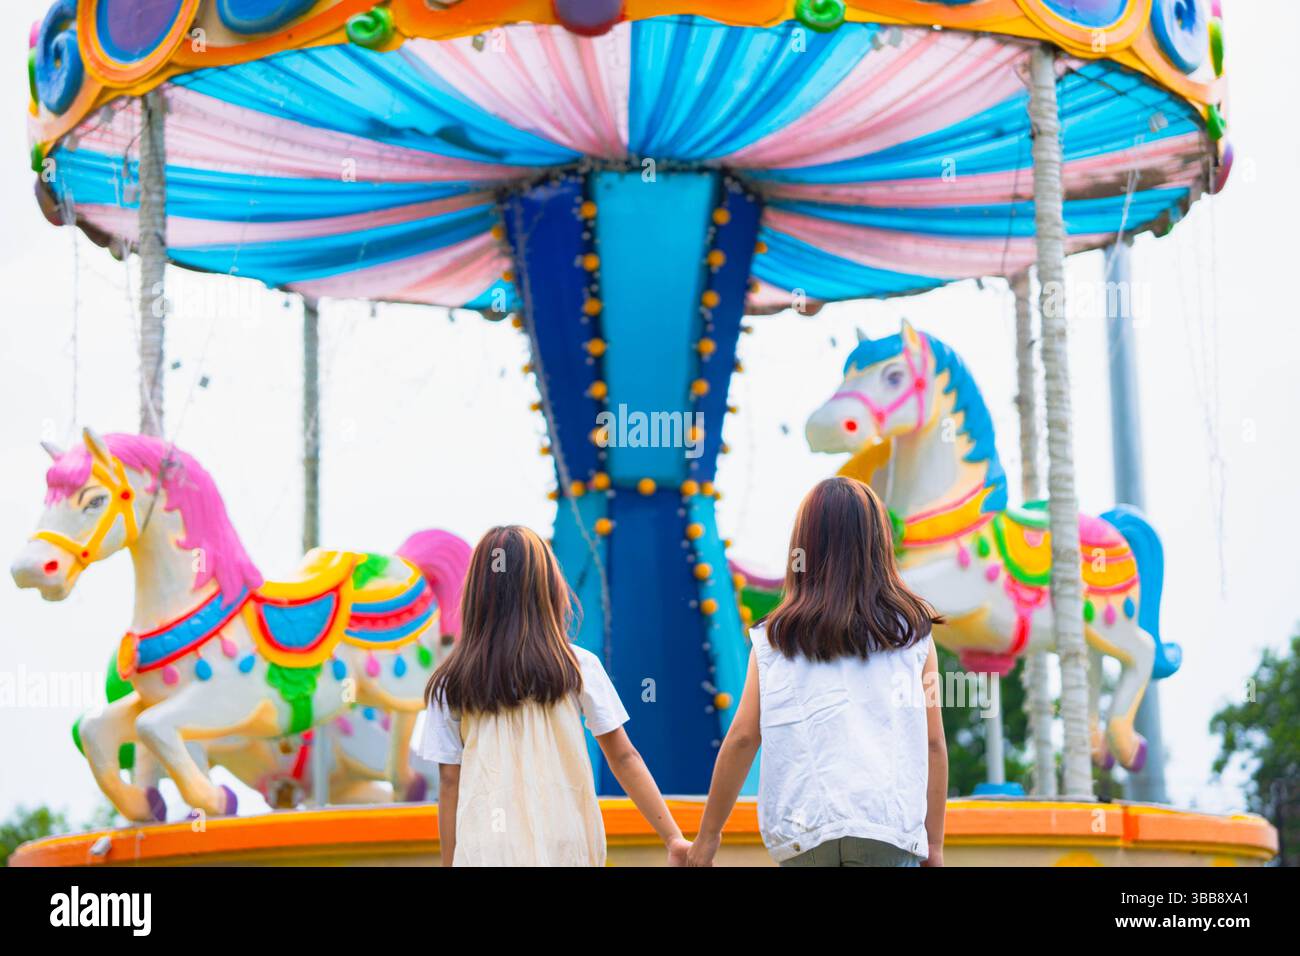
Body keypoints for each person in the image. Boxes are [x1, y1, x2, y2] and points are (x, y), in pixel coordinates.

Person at [687, 477, 948, 867]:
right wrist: (935, 845)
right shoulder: (913, 636)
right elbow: (932, 745)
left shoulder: (773, 639)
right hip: (887, 830)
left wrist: (707, 840)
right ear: (878, 547)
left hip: (804, 832)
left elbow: (743, 737)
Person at [420, 524, 688, 866]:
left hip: (488, 848)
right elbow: (624, 757)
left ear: (476, 592)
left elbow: (449, 780)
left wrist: (448, 862)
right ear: (547, 589)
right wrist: (673, 837)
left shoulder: (450, 682)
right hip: (565, 842)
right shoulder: (576, 666)